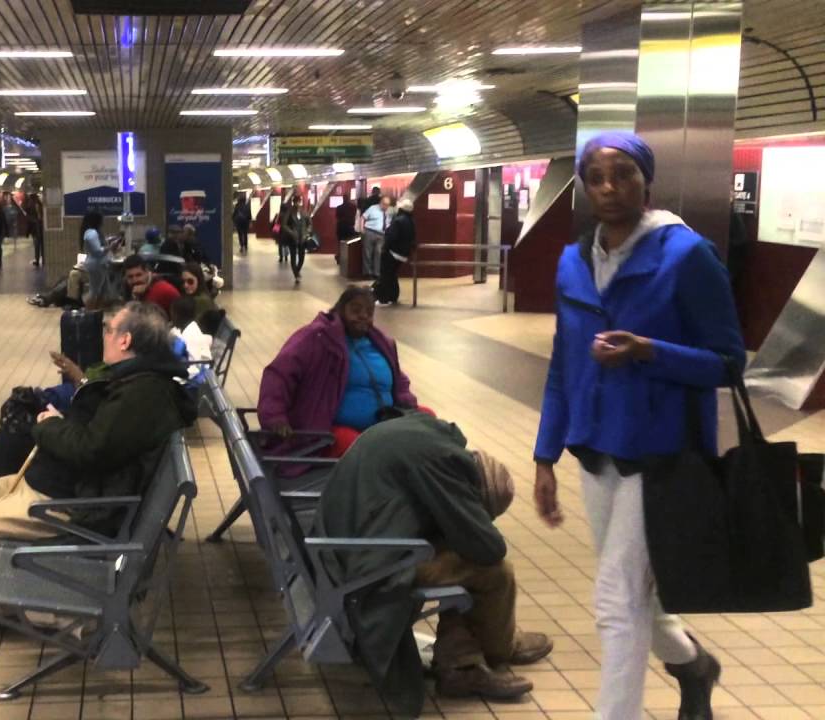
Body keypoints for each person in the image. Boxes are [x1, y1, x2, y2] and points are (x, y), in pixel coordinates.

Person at [534, 131, 741, 720]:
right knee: (636, 598)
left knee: (616, 601)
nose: (608, 188)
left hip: (663, 452)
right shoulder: (573, 260)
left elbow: (729, 362)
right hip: (594, 448)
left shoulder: (685, 255)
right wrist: (546, 455)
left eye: (622, 174)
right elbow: (562, 364)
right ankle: (693, 665)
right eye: (595, 176)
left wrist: (650, 350)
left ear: (646, 180)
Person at [0, 302, 197, 641]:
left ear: (124, 341)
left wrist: (48, 426)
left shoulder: (142, 394)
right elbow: (99, 440)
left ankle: (23, 607)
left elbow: (90, 450)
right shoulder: (137, 380)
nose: (104, 336)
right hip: (74, 484)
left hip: (75, 501)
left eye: (109, 330)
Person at [314, 417, 553, 711]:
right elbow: (490, 548)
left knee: (458, 556)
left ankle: (461, 662)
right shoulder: (443, 463)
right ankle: (498, 649)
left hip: (345, 545)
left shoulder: (425, 434)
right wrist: (467, 521)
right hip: (371, 564)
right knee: (493, 571)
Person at [258, 287, 417, 483]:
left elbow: (399, 379)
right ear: (340, 309)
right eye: (356, 310)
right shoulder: (317, 337)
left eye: (369, 312)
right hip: (331, 429)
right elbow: (279, 374)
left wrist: (408, 403)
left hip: (384, 423)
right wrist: (274, 416)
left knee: (429, 422)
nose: (363, 317)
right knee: (360, 449)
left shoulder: (381, 342)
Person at [375, 196, 415, 306]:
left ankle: (384, 299)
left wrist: (385, 249)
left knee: (386, 276)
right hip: (403, 254)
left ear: (401, 209)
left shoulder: (398, 221)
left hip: (393, 253)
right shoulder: (411, 221)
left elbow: (391, 237)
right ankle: (393, 297)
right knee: (392, 275)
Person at [79, 211, 112, 306]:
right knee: (94, 291)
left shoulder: (91, 232)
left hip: (98, 264)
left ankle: (98, 310)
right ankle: (87, 309)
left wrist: (108, 242)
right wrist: (111, 247)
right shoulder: (92, 233)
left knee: (103, 290)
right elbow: (98, 251)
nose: (102, 223)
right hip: (96, 265)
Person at [279, 193, 311, 284]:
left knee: (301, 258)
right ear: (293, 203)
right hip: (292, 238)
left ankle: (297, 270)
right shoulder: (289, 212)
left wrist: (307, 232)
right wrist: (291, 232)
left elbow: (309, 223)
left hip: (302, 238)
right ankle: (296, 275)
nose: (298, 204)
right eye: (296, 202)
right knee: (293, 257)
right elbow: (284, 225)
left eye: (299, 202)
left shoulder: (304, 212)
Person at [361, 194, 391, 279]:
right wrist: (362, 229)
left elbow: (387, 222)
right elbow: (363, 217)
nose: (386, 207)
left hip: (381, 234)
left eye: (388, 205)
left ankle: (376, 273)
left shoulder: (388, 211)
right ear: (381, 203)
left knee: (378, 253)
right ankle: (367, 273)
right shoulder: (372, 208)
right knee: (367, 253)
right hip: (370, 232)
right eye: (385, 204)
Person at [25, 193, 43, 267]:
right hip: (40, 227)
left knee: (36, 245)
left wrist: (27, 232)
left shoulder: (30, 206)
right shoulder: (39, 204)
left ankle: (37, 260)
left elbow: (29, 220)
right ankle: (42, 259)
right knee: (41, 245)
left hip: (35, 229)